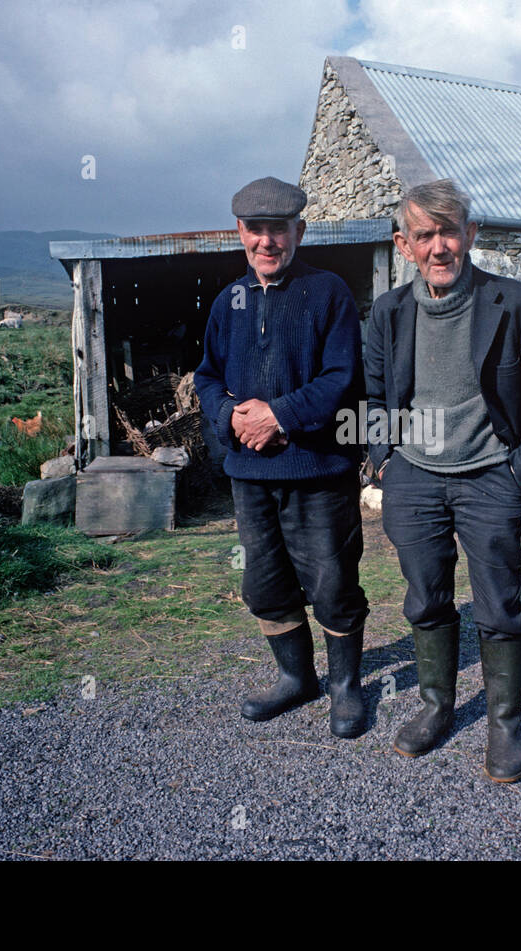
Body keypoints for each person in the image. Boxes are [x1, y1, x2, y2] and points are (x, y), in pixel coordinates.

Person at [365, 179, 521, 781]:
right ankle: (437, 706)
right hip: (415, 481)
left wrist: (519, 470)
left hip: (491, 478)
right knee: (426, 598)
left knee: (500, 607)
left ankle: (505, 726)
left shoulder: (518, 303)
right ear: (404, 245)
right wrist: (385, 460)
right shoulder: (388, 313)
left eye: (449, 231)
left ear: (471, 235)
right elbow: (375, 395)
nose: (439, 247)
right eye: (425, 235)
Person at [194, 176, 368, 738]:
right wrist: (230, 418)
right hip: (250, 474)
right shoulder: (228, 302)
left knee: (333, 582)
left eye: (279, 230)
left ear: (300, 230)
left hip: (319, 470)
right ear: (239, 233)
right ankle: (298, 678)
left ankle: (345, 687)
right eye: (256, 230)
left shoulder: (328, 293)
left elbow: (341, 379)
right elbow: (207, 379)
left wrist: (278, 416)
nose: (267, 242)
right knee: (264, 583)